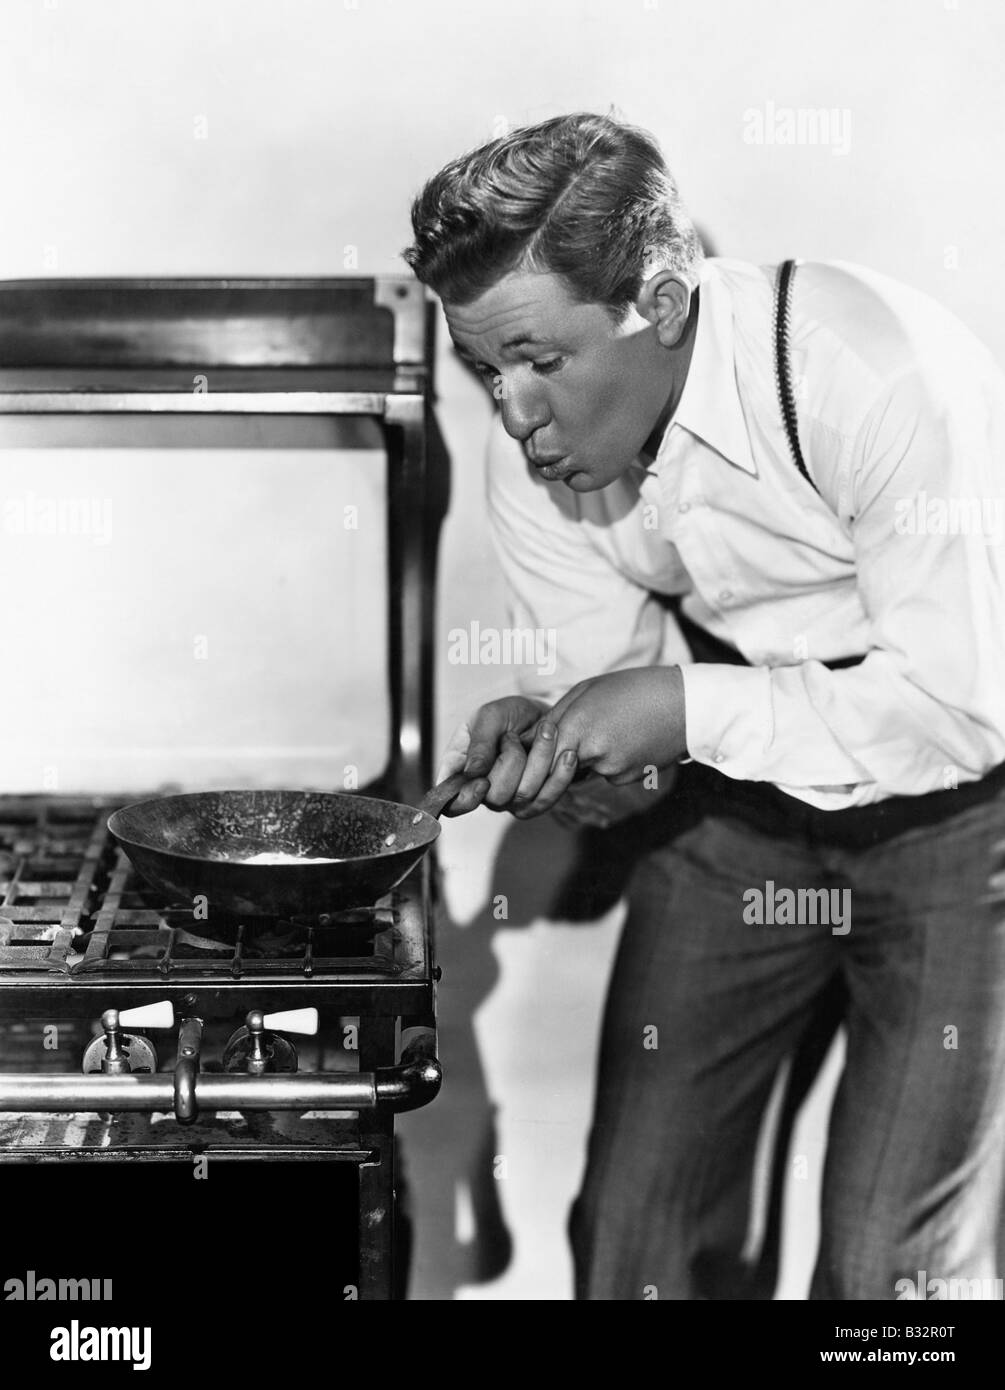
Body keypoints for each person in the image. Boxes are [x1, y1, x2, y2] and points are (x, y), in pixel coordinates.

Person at [403, 111, 1005, 1301]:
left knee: (894, 1283)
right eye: (486, 371)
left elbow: (958, 711)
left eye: (543, 359)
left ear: (664, 299)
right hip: (733, 828)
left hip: (963, 827)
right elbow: (644, 758)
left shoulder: (875, 374)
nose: (515, 417)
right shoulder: (541, 464)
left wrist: (676, 707)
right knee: (634, 1253)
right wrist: (570, 754)